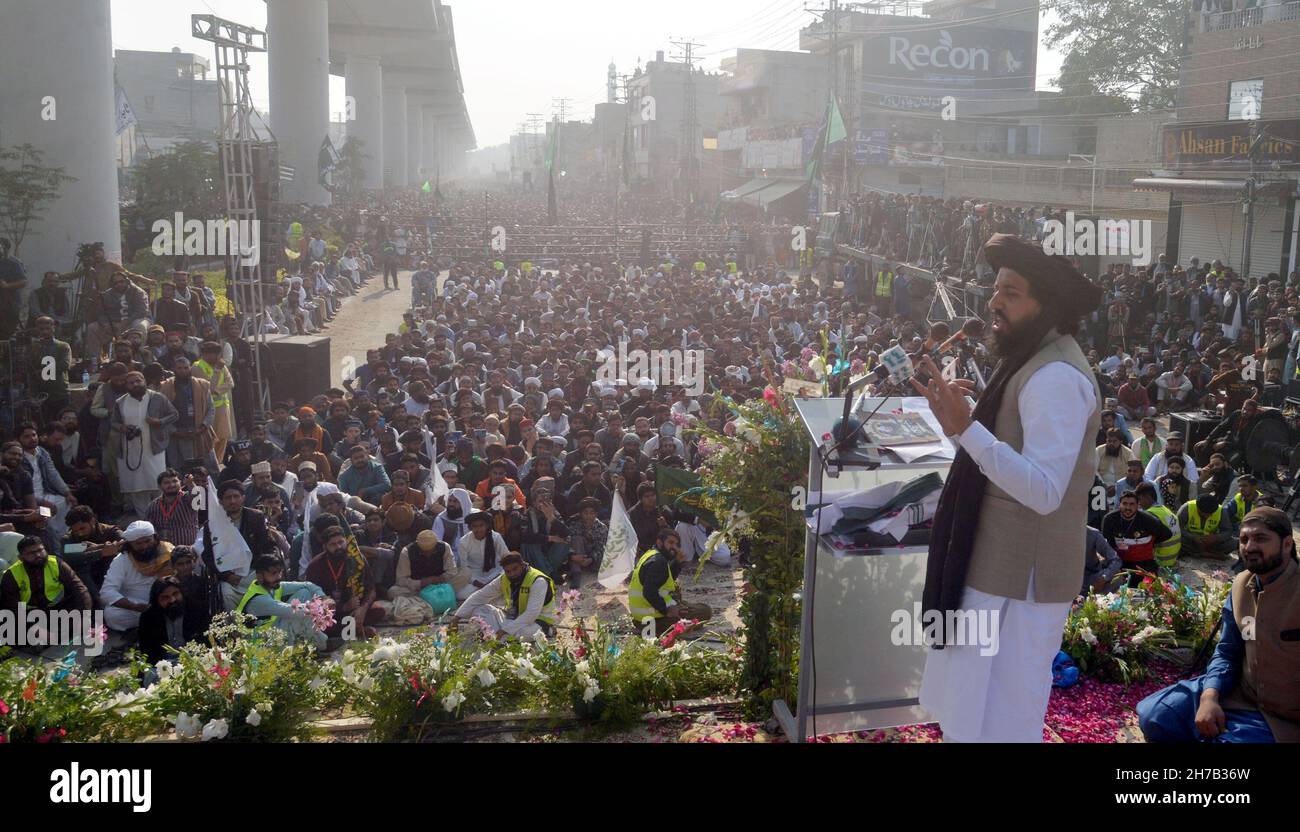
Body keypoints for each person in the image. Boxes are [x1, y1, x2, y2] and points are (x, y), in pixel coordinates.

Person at [912, 233, 1103, 743]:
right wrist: (958, 427)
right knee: (968, 713)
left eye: (1011, 292)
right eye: (996, 288)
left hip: (1024, 585)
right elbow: (996, 468)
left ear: (1046, 305)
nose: (994, 301)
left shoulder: (1055, 376)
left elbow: (1044, 491)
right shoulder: (1028, 359)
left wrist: (967, 428)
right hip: (998, 571)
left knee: (1002, 722)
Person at [1137, 507, 1300, 743]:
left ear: (1287, 544)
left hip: (1285, 715)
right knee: (1155, 715)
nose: (1249, 547)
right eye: (1244, 539)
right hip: (1242, 694)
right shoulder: (1241, 586)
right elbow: (1227, 651)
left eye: (1261, 538)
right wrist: (1209, 697)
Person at [110, 370, 178, 518]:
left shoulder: (158, 398)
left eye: (138, 381)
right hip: (130, 450)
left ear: (144, 381)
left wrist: (159, 422)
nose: (135, 384)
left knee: (157, 484)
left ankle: (164, 516)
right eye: (131, 382)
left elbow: (174, 415)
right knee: (136, 487)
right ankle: (145, 520)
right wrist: (122, 428)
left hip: (154, 449)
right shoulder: (120, 402)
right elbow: (114, 422)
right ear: (126, 385)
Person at [234, 554, 334, 651]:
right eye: (273, 573)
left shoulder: (272, 585)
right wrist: (321, 608)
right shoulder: (258, 599)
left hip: (271, 631)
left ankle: (312, 644)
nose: (279, 577)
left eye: (279, 572)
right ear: (260, 576)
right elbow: (291, 611)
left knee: (304, 592)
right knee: (301, 615)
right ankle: (322, 646)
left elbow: (308, 585)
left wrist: (324, 598)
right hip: (259, 644)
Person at [452, 550, 558, 640]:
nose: (511, 574)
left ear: (522, 565)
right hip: (513, 617)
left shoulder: (538, 581)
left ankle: (548, 630)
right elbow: (481, 595)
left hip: (536, 621)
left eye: (515, 569)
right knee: (479, 611)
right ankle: (497, 636)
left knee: (521, 633)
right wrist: (456, 618)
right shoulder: (504, 578)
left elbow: (531, 614)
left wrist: (503, 631)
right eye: (508, 571)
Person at [627, 527, 713, 637]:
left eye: (677, 544)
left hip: (643, 615)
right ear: (659, 542)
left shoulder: (652, 554)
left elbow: (664, 579)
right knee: (705, 612)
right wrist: (668, 610)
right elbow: (649, 592)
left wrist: (677, 562)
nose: (674, 547)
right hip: (653, 619)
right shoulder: (658, 562)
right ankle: (661, 628)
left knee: (690, 605)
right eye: (670, 542)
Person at [303, 524, 377, 639]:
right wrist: (343, 607)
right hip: (332, 613)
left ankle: (354, 625)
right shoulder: (315, 566)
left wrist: (363, 609)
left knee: (379, 610)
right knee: (319, 624)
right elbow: (314, 600)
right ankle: (354, 629)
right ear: (325, 547)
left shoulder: (357, 559)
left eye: (341, 542)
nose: (338, 547)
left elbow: (371, 588)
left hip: (355, 609)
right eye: (333, 544)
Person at [100, 520, 175, 633]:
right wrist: (135, 607)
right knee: (111, 614)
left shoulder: (168, 552)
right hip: (138, 607)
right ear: (130, 545)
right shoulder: (122, 560)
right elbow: (107, 591)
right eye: (138, 544)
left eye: (147, 541)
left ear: (155, 539)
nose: (144, 546)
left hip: (167, 600)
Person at [0, 535, 92, 618]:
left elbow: (79, 590)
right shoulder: (11, 574)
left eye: (40, 550)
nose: (38, 555)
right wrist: (33, 629)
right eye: (31, 553)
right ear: (21, 557)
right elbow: (12, 606)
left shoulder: (56, 563)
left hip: (59, 609)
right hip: (29, 615)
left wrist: (84, 616)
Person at [1100, 491, 1173, 587]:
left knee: (1147, 591)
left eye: (1132, 504)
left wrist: (1149, 544)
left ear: (1138, 505)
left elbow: (1167, 534)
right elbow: (1108, 544)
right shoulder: (1109, 519)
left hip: (1144, 563)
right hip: (1120, 562)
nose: (1128, 508)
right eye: (1125, 504)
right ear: (1119, 504)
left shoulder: (1148, 519)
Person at [391, 529, 468, 601]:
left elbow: (452, 570)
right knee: (393, 591)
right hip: (418, 588)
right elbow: (401, 579)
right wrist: (420, 583)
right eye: (424, 551)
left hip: (440, 585)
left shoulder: (444, 547)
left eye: (431, 550)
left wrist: (441, 578)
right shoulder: (407, 551)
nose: (428, 554)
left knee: (466, 572)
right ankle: (433, 597)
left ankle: (425, 599)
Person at [137, 575, 199, 665]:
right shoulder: (148, 617)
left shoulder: (195, 609)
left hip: (193, 659)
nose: (172, 600)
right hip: (162, 663)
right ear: (157, 600)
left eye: (175, 594)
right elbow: (147, 651)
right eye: (165, 597)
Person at [455, 510, 508, 601]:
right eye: (475, 526)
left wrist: (494, 580)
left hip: (495, 573)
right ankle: (489, 592)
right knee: (460, 594)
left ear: (486, 526)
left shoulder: (496, 537)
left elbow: (506, 557)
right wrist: (477, 583)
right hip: (475, 576)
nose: (478, 529)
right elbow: (464, 568)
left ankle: (486, 592)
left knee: (507, 576)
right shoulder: (464, 542)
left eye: (481, 526)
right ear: (470, 528)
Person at [1137, 482, 1182, 571]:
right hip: (1172, 559)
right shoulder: (1166, 510)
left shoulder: (1150, 514)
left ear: (1147, 497)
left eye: (1139, 500)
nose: (1139, 503)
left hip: (1160, 561)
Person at [1178, 493, 1236, 561]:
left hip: (1211, 542)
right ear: (1197, 507)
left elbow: (1228, 531)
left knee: (1233, 543)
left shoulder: (1221, 511)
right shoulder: (1186, 508)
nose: (1207, 517)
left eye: (1210, 514)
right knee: (1177, 540)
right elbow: (1177, 528)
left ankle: (1197, 553)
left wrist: (1216, 537)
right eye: (1203, 514)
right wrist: (1193, 537)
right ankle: (1207, 554)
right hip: (1191, 540)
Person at [1081, 525, 1122, 595]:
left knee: (1118, 578)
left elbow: (1115, 560)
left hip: (1089, 577)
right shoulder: (1057, 533)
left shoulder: (1093, 533)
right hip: (1064, 579)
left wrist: (1103, 579)